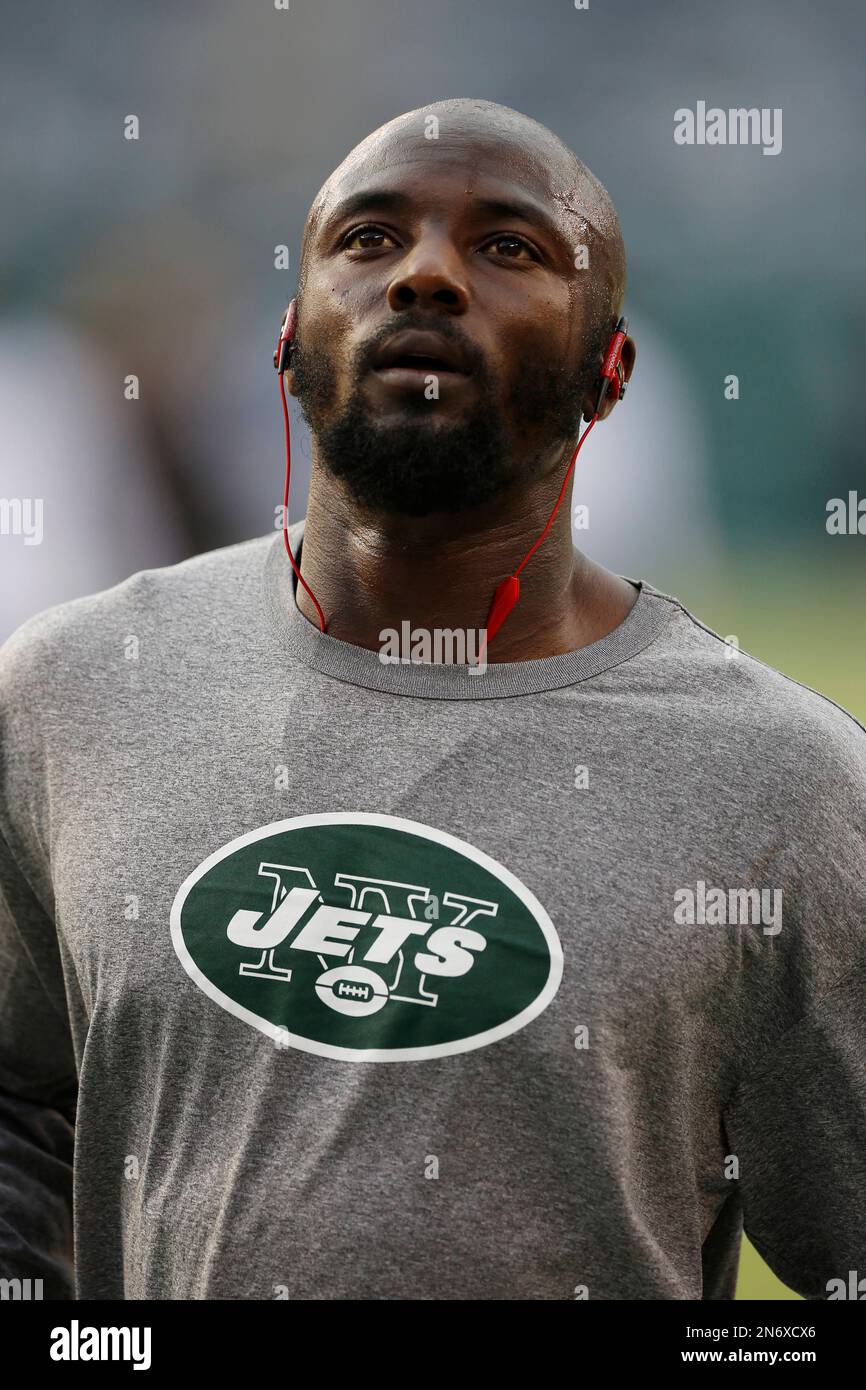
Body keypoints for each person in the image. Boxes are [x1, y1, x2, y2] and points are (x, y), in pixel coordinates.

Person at [0, 98, 863, 1301]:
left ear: (608, 370)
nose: (423, 277)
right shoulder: (70, 691)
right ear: (289, 340)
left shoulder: (789, 787)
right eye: (367, 239)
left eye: (507, 246)